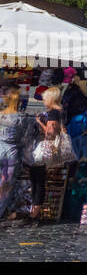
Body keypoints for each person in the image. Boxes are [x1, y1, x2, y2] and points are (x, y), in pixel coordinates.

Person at [0, 86, 34, 221]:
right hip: (12, 154)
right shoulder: (22, 118)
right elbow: (26, 139)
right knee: (6, 185)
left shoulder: (1, 115)